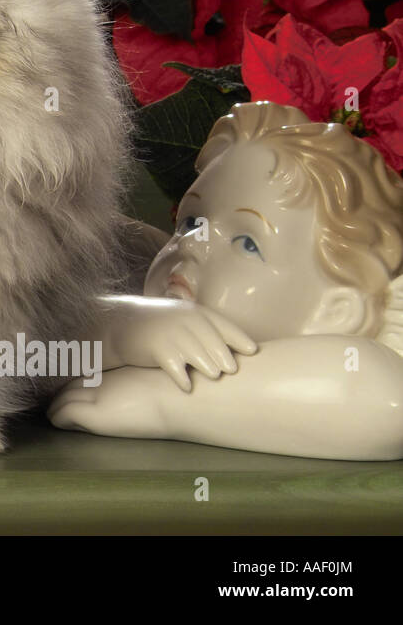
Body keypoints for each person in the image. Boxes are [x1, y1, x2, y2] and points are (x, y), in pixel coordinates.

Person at [50, 102, 403, 460]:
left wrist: (164, 399)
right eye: (191, 222)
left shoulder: (372, 354)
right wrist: (125, 327)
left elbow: (388, 402)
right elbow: (20, 347)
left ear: (334, 311)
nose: (192, 243)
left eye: (247, 243)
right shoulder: (127, 267)